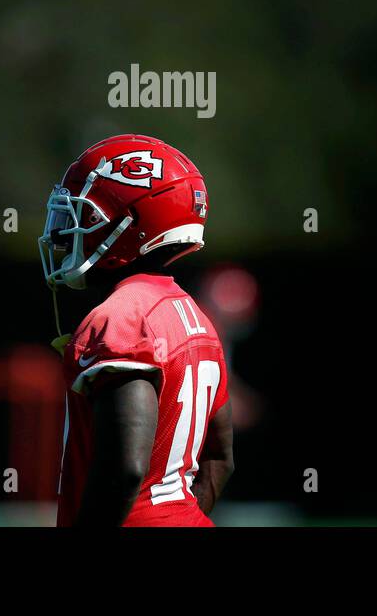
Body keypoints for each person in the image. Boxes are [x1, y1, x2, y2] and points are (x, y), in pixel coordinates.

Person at [38, 134, 234, 526]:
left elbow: (126, 467)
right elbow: (220, 459)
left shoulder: (121, 317)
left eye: (83, 216)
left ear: (132, 224)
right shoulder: (194, 314)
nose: (64, 233)